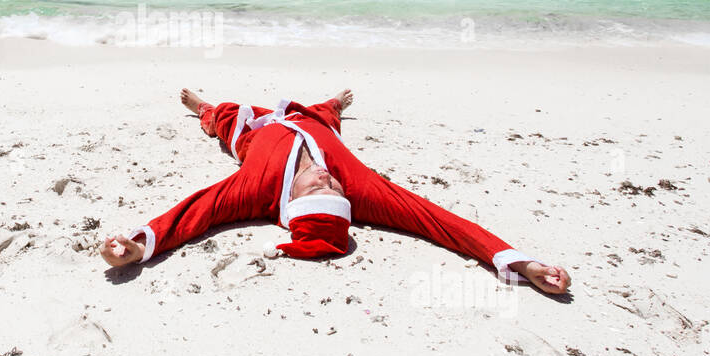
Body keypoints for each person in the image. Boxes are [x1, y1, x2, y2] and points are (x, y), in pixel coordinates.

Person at [100, 89, 571, 295]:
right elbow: (437, 220)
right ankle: (335, 104)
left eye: (319, 188)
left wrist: (138, 245)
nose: (328, 179)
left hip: (256, 131)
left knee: (225, 119)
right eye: (334, 189)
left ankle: (204, 107)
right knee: (326, 113)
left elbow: (196, 212)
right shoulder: (361, 190)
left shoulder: (254, 189)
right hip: (313, 120)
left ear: (292, 201)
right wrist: (518, 261)